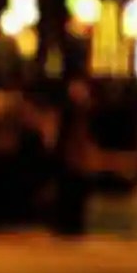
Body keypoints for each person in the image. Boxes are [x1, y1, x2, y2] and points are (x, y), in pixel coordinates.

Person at [53, 78, 95, 236]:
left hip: (74, 158)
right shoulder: (73, 114)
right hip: (71, 157)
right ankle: (69, 224)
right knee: (70, 192)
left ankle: (71, 224)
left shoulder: (78, 113)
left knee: (74, 193)